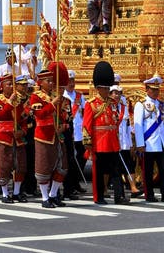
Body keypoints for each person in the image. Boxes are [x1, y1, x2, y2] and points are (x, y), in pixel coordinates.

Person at [82, 61, 129, 206]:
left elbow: (116, 120)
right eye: (104, 88)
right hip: (100, 142)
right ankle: (99, 196)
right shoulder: (91, 104)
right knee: (99, 172)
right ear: (98, 88)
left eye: (108, 87)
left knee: (116, 170)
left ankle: (119, 196)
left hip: (112, 141)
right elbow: (87, 124)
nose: (107, 90)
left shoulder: (112, 103)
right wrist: (88, 142)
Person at [29, 64, 68, 208]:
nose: (51, 83)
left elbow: (63, 115)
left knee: (62, 166)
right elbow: (39, 114)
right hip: (44, 135)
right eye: (48, 81)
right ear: (40, 82)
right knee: (44, 166)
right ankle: (45, 197)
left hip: (57, 135)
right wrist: (52, 104)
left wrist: (63, 124)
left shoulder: (55, 95)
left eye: (52, 80)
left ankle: (53, 194)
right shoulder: (35, 96)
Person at [133, 75, 164, 203]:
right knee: (148, 171)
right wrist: (140, 143)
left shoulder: (162, 104)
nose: (156, 91)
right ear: (147, 89)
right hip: (149, 142)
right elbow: (138, 125)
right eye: (153, 89)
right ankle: (149, 194)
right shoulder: (141, 105)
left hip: (161, 143)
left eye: (157, 89)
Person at [0, 72, 29, 203]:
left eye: (13, 84)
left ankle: (17, 192)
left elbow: (23, 119)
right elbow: (0, 116)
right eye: (8, 84)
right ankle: (5, 193)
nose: (11, 86)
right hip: (3, 137)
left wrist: (23, 131)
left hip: (17, 137)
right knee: (4, 165)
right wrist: (9, 102)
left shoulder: (18, 100)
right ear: (2, 86)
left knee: (20, 165)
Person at [62, 70, 85, 200]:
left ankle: (76, 182)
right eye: (69, 81)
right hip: (69, 133)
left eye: (73, 81)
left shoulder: (80, 96)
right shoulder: (63, 97)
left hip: (79, 133)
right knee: (70, 160)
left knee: (81, 158)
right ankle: (70, 185)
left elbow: (86, 111)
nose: (71, 84)